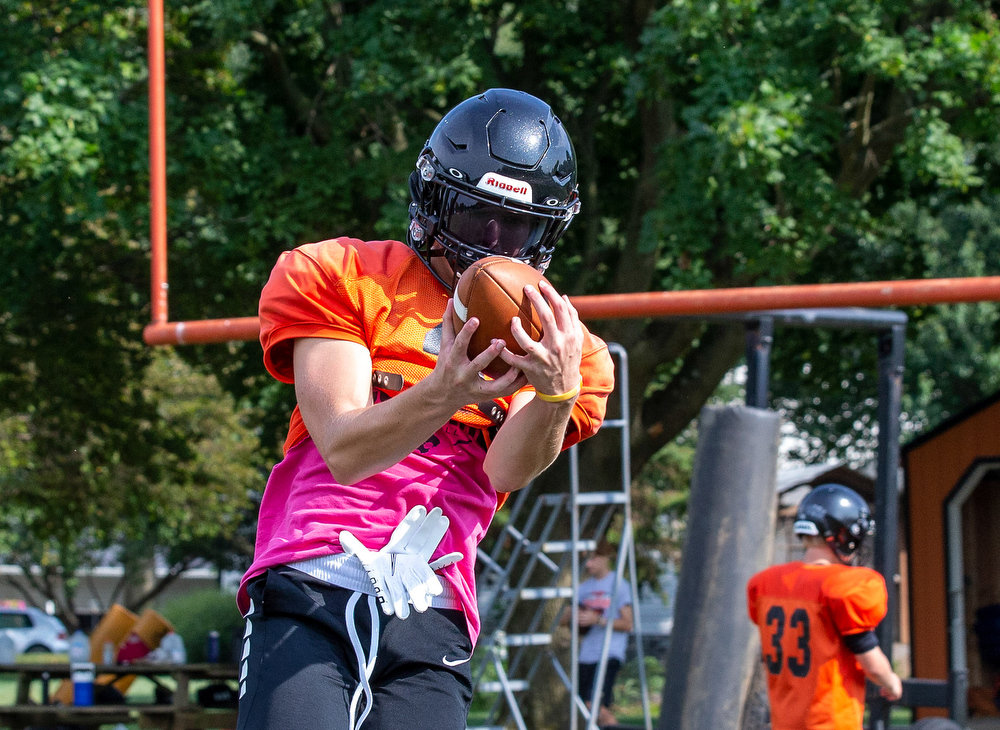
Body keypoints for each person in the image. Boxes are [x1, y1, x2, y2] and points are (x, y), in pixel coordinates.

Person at [235, 88, 616, 730]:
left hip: (432, 602)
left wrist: (554, 392)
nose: (492, 244)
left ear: (546, 231)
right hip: (313, 576)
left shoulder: (563, 341)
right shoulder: (342, 274)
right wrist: (446, 391)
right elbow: (345, 450)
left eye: (515, 227)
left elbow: (502, 473)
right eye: (474, 217)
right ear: (436, 200)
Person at [746, 483, 904, 730]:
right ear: (843, 535)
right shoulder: (843, 585)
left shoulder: (766, 583)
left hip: (784, 720)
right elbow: (868, 657)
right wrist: (890, 682)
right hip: (829, 720)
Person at [560, 538, 634, 728]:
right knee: (586, 707)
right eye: (586, 559)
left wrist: (598, 620)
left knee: (596, 706)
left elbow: (628, 624)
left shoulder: (619, 585)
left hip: (609, 653)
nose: (589, 564)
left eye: (593, 558)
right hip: (586, 655)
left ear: (605, 557)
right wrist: (572, 616)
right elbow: (562, 621)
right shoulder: (583, 588)